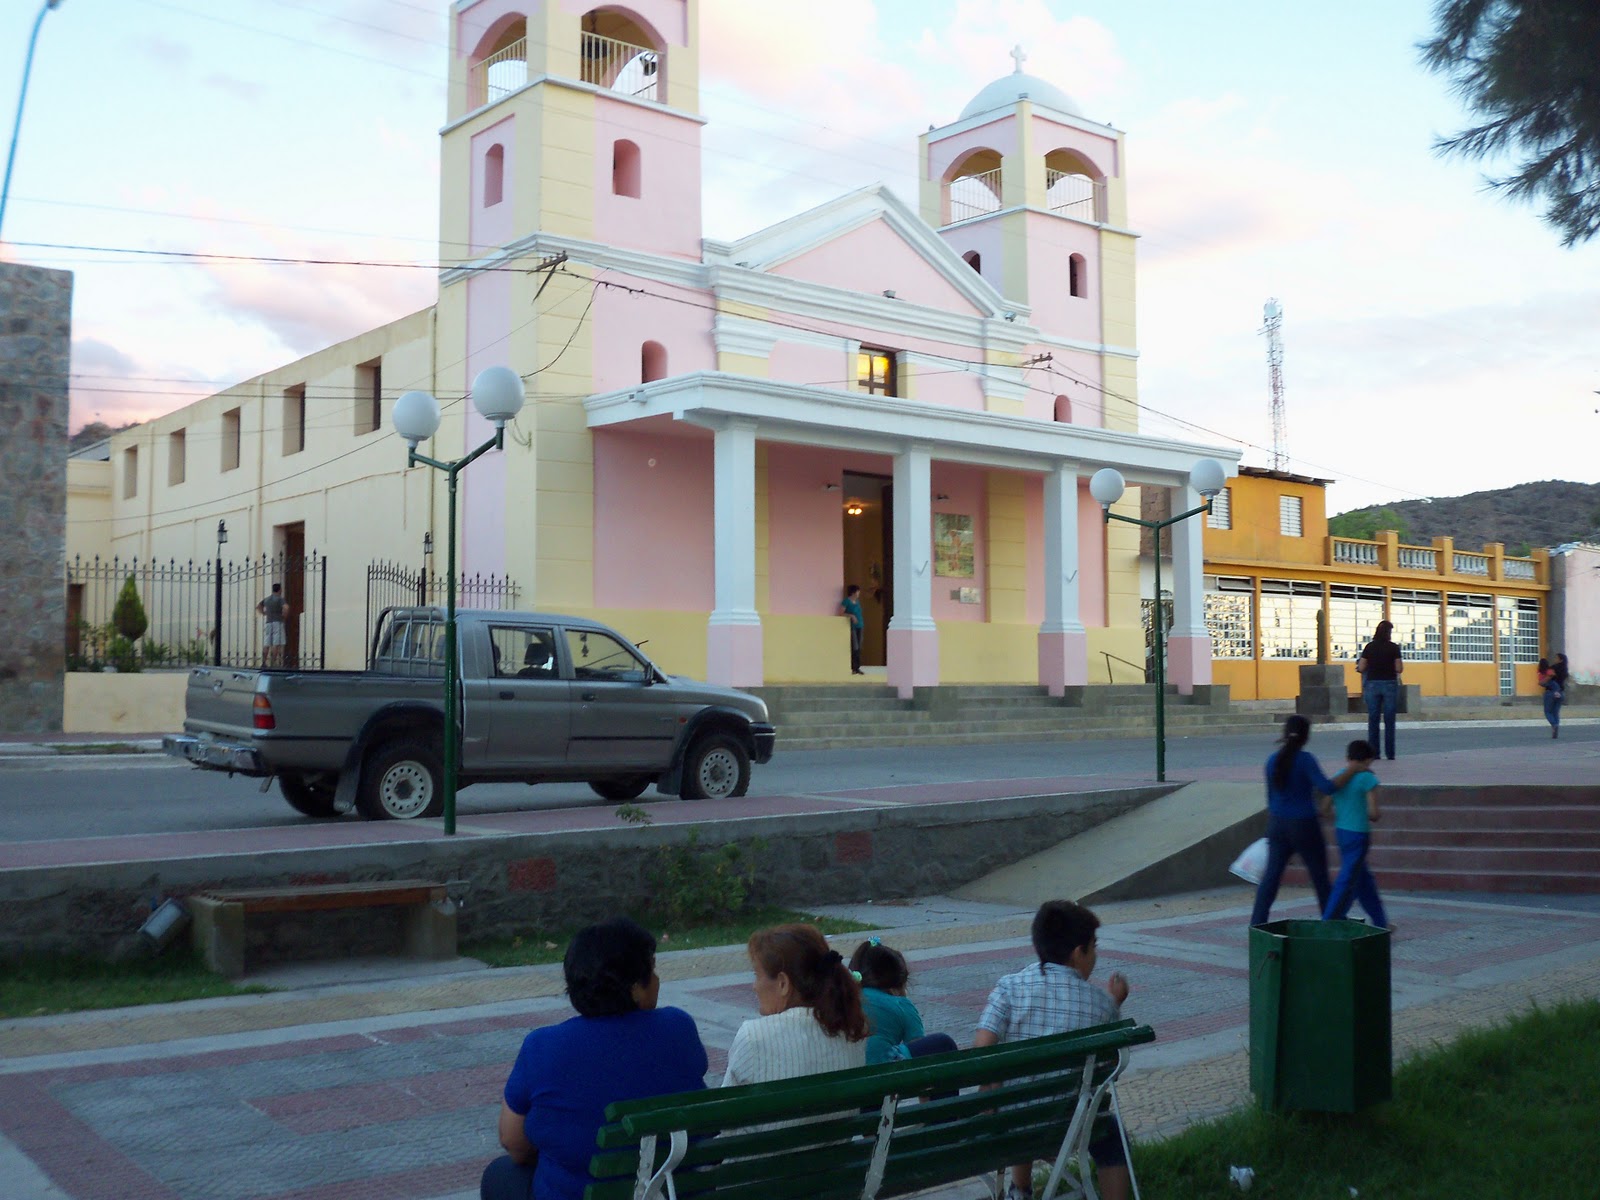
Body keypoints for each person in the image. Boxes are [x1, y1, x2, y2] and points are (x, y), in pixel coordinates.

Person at [481, 918, 708, 1200]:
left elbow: (513, 1143)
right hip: (670, 1192)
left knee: (501, 1174)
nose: (658, 981)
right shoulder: (679, 1028)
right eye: (653, 970)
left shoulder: (544, 1046)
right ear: (635, 986)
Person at [974, 899, 1132, 1200]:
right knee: (1110, 1134)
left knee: (1021, 1092)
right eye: (1093, 947)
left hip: (1010, 1126)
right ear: (1077, 953)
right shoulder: (1101, 1004)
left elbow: (983, 1045)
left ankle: (1020, 1190)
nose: (1095, 956)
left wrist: (989, 1087)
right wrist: (1115, 1004)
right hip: (1069, 1127)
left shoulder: (1009, 987)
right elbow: (1109, 1065)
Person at [723, 923, 868, 1087]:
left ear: (783, 983)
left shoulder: (752, 1037)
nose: (754, 986)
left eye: (757, 975)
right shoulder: (851, 1028)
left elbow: (723, 1108)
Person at [1249, 715, 1359, 927]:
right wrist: (1350, 770)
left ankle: (1257, 924)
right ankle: (1332, 922)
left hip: (1277, 824)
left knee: (1271, 878)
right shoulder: (1305, 759)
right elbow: (1327, 788)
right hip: (1304, 824)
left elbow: (1271, 799)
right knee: (1319, 877)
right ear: (1306, 736)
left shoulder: (1273, 761)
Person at [848, 937, 957, 1065]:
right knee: (943, 1043)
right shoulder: (901, 1004)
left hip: (842, 1069)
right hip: (880, 1072)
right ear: (898, 984)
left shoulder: (844, 997)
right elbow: (918, 1047)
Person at [1320, 739, 1388, 928]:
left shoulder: (1339, 777)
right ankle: (1329, 920)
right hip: (1359, 834)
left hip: (1342, 833)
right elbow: (1374, 813)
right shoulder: (1368, 778)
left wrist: (1343, 814)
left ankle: (1381, 923)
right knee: (1348, 879)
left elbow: (1324, 809)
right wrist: (1360, 813)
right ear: (1368, 760)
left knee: (1363, 880)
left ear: (1347, 758)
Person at [1356, 619, 1403, 760]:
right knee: (1389, 720)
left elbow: (1362, 667)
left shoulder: (1369, 647)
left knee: (1373, 719)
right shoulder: (1394, 648)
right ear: (1389, 633)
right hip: (1389, 684)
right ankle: (1390, 754)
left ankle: (1374, 753)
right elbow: (1399, 668)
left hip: (1372, 685)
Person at [256, 583, 290, 667]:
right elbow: (286, 607)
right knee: (276, 643)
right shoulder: (280, 599)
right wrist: (284, 615)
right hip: (277, 622)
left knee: (267, 643)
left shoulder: (267, 599)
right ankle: (273, 662)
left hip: (268, 622)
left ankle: (264, 662)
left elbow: (258, 606)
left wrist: (264, 613)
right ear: (280, 590)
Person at [841, 584, 865, 675]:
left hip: (860, 626)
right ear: (853, 592)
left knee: (859, 647)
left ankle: (857, 667)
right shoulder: (846, 601)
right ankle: (854, 667)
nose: (859, 593)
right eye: (857, 591)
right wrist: (851, 616)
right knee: (855, 647)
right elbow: (841, 613)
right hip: (853, 627)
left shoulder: (857, 602)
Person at [1538, 656, 1564, 739]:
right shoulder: (1552, 670)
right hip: (1560, 692)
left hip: (1550, 693)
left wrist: (1544, 680)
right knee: (1556, 712)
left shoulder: (1542, 672)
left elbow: (1542, 683)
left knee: (1548, 712)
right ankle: (1555, 727)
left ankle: (1554, 725)